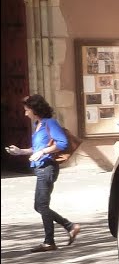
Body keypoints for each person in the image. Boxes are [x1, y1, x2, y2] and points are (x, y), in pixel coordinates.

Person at [5, 94, 81, 253]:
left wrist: (43, 152)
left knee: (41, 205)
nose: (25, 113)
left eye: (27, 110)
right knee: (39, 205)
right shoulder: (39, 125)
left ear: (35, 110)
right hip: (41, 168)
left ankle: (50, 241)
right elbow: (37, 148)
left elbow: (62, 143)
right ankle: (69, 227)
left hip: (47, 168)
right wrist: (20, 152)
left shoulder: (50, 123)